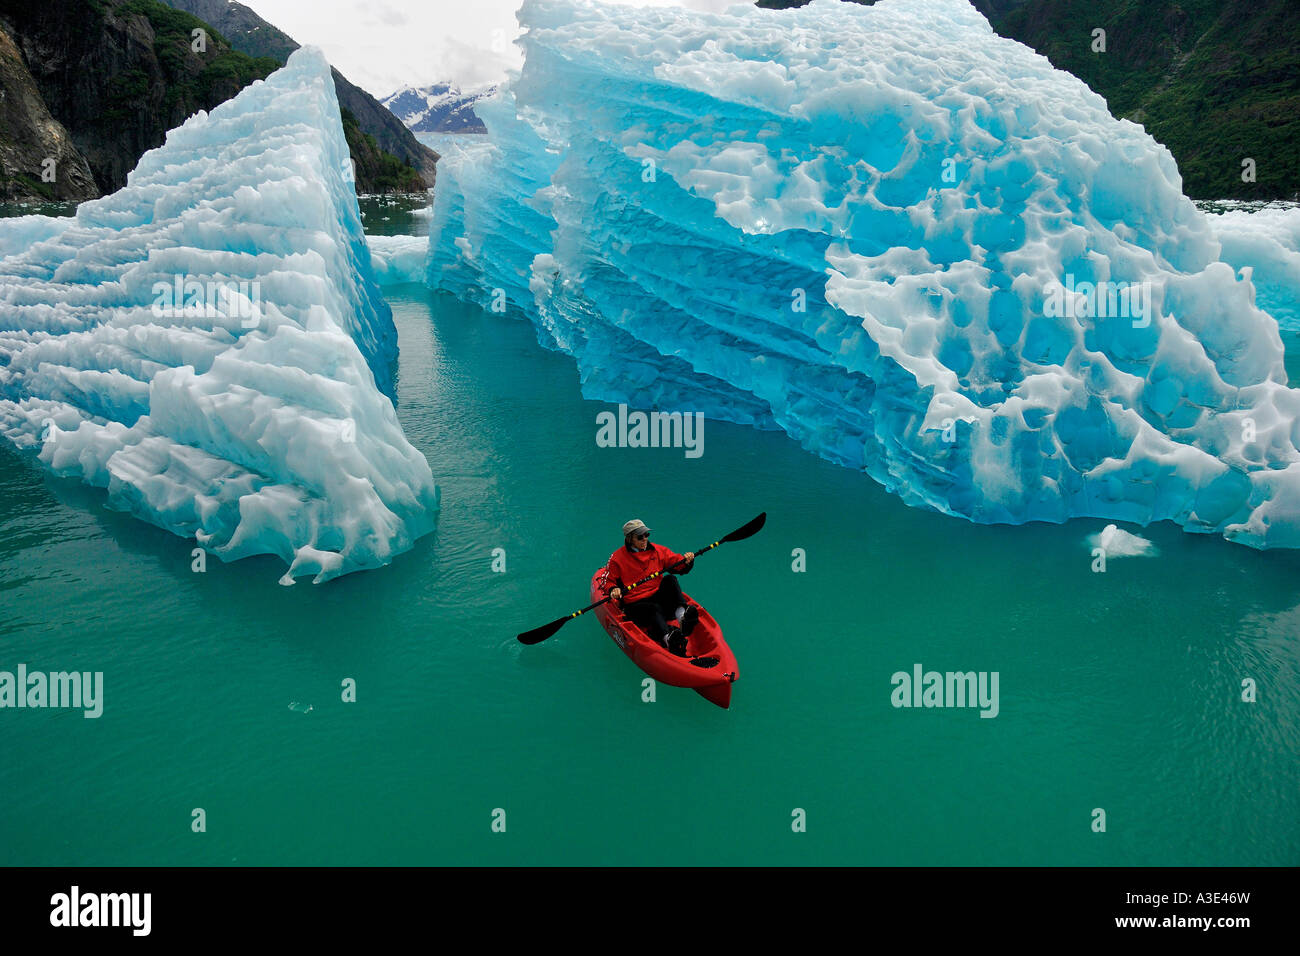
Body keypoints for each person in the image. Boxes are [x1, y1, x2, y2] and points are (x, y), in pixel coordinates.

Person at [602, 519, 697, 657]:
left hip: (659, 601)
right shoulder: (617, 558)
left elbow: (678, 566)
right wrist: (613, 590)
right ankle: (668, 639)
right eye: (640, 537)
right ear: (629, 539)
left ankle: (682, 617)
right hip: (636, 606)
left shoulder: (659, 551)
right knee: (652, 608)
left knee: (670, 579)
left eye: (646, 534)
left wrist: (687, 561)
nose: (645, 539)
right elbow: (608, 581)